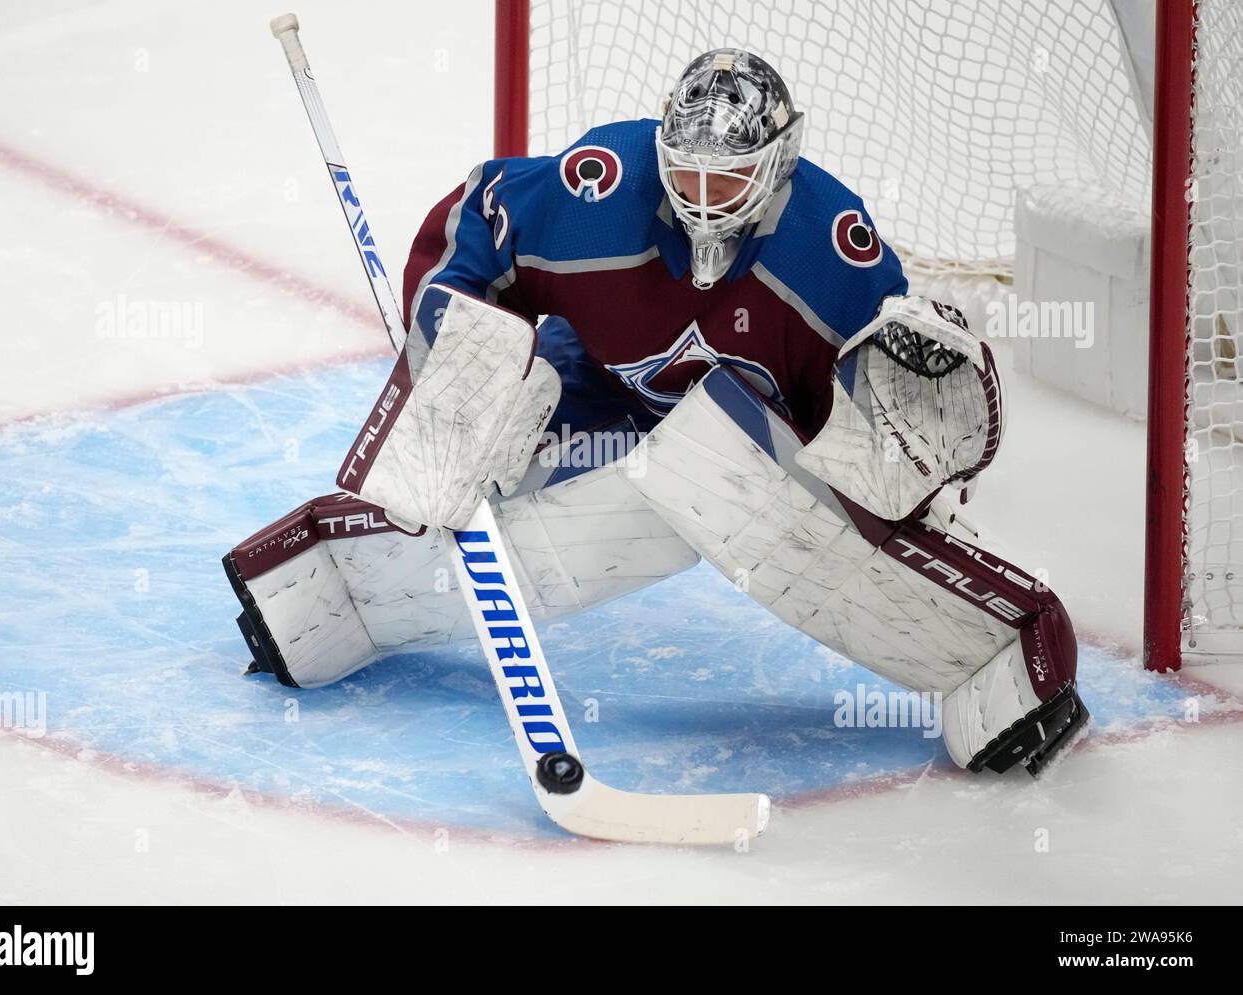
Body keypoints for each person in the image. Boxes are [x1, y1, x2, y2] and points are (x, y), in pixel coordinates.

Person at [225, 49, 1088, 776]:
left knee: (719, 465)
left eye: (730, 176)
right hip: (598, 390)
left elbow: (877, 439)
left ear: (779, 165)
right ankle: (330, 597)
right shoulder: (596, 188)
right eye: (687, 169)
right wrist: (458, 343)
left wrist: (916, 476)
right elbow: (476, 221)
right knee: (459, 460)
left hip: (741, 439)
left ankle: (987, 657)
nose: (704, 195)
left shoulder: (833, 251)